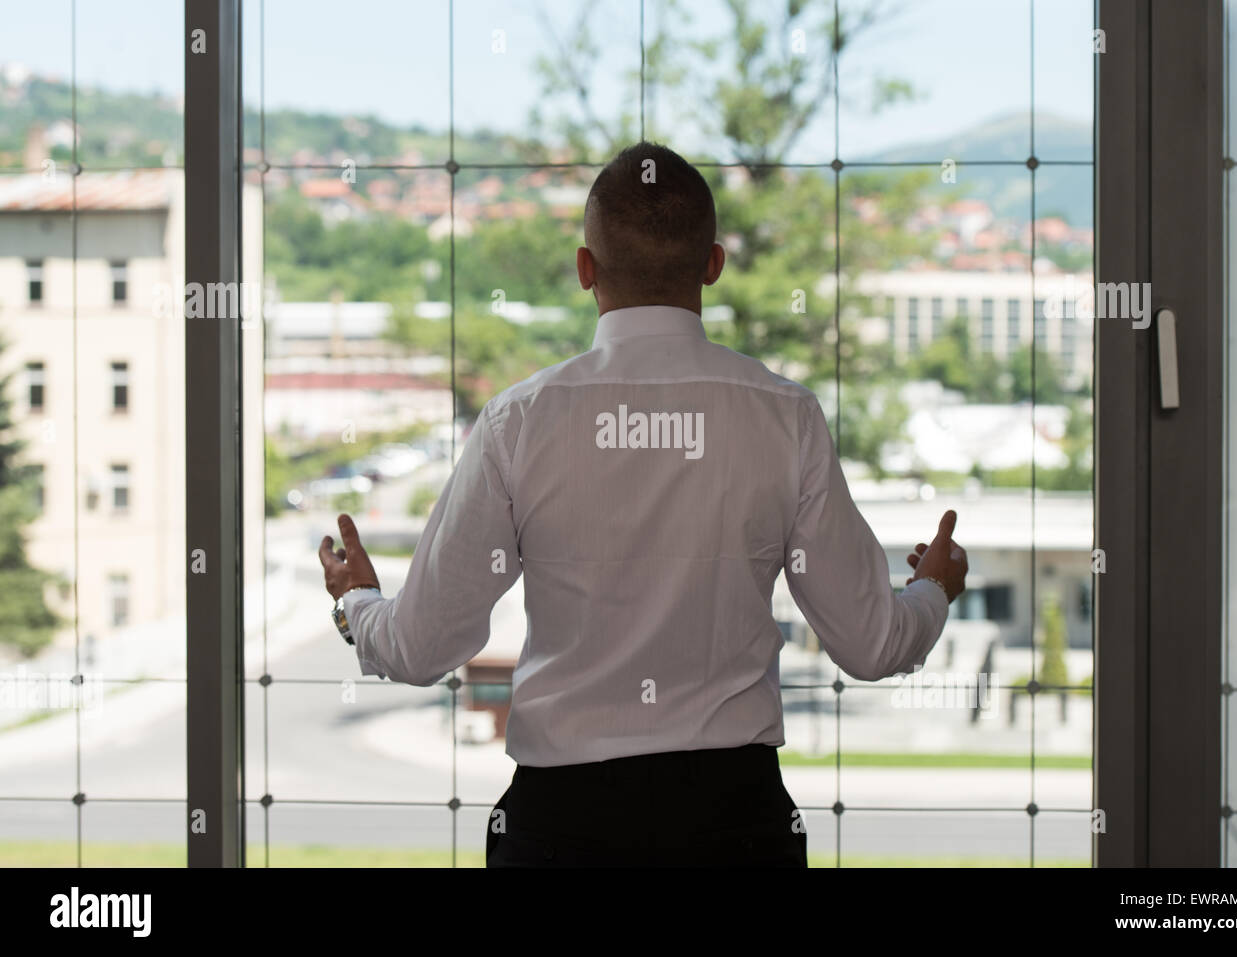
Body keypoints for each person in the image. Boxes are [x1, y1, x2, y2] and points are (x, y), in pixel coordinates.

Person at [317, 141, 969, 868]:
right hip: (735, 827)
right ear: (713, 264)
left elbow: (418, 646)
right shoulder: (786, 418)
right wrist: (933, 589)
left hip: (560, 832)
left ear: (585, 269)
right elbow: (872, 643)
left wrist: (357, 604)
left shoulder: (519, 422)